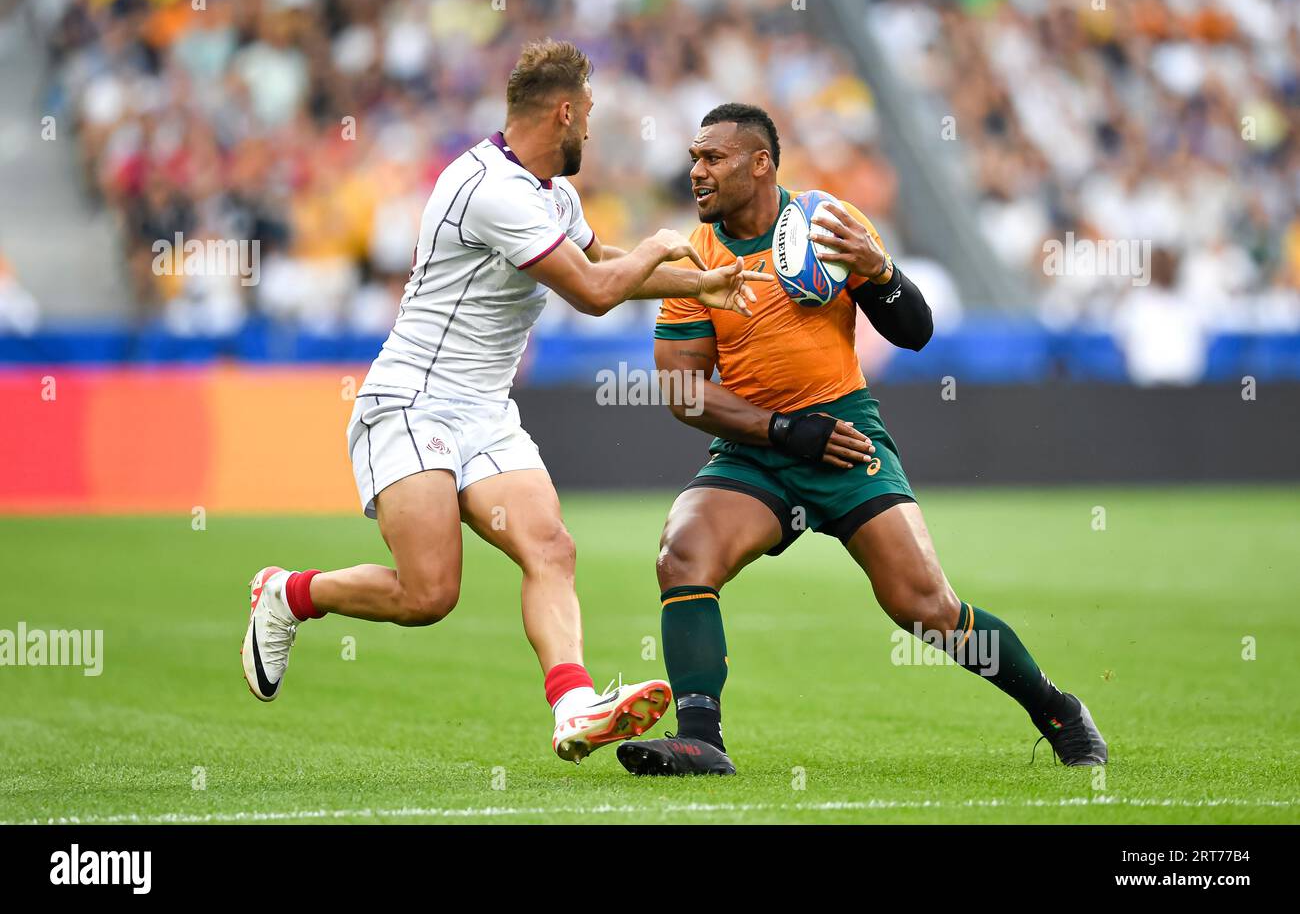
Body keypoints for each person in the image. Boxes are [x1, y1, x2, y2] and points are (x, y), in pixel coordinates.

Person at [242, 42, 769, 764]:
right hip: (411, 403)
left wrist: (696, 283)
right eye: (586, 114)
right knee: (429, 595)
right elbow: (591, 293)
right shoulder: (488, 188)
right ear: (562, 111)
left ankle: (574, 706)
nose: (590, 128)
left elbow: (600, 266)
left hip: (485, 414)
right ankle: (290, 594)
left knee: (551, 546)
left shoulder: (554, 193)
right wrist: (663, 248)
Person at [616, 103, 1107, 775]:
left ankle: (1056, 709)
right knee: (682, 555)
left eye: (712, 158)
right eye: (694, 158)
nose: (695, 171)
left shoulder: (829, 225)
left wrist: (880, 273)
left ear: (761, 163)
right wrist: (785, 431)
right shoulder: (693, 260)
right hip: (759, 447)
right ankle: (701, 737)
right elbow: (681, 389)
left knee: (924, 607)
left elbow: (915, 332)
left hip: (846, 438)